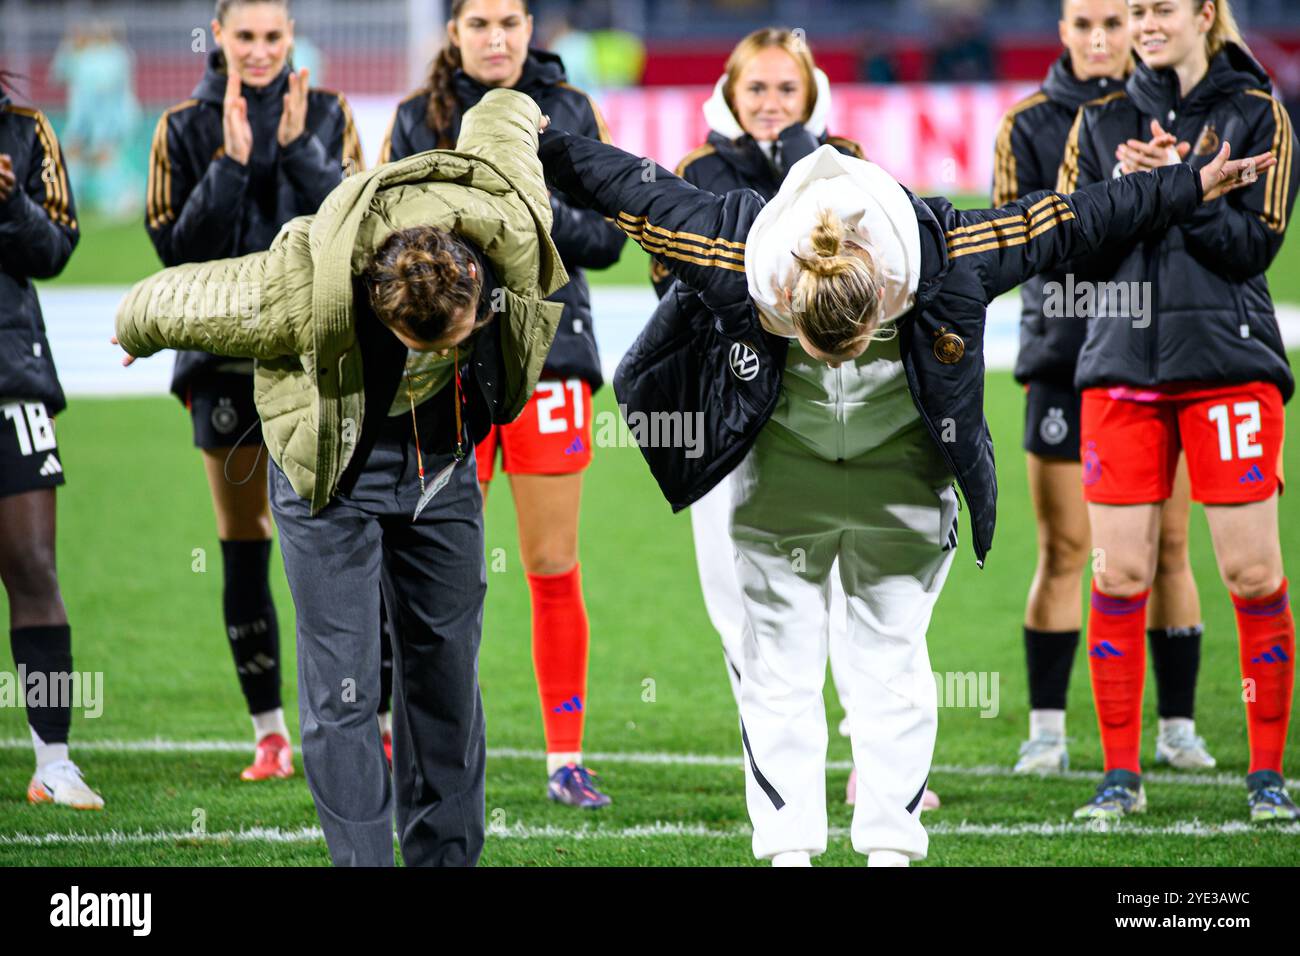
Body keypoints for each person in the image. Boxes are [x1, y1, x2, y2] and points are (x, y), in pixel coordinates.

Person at [536, 102, 1270, 866]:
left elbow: (1069, 219)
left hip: (902, 480)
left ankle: (889, 850)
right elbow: (626, 185)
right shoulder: (737, 247)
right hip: (784, 479)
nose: (836, 366)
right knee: (781, 662)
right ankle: (790, 853)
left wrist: (1189, 183)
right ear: (782, 295)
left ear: (886, 293)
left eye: (850, 348)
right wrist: (539, 136)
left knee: (887, 661)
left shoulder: (948, 250)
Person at [116, 88, 566, 866]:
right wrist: (133, 324)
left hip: (441, 467)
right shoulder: (307, 284)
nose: (443, 354)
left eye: (458, 339)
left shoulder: (507, 226)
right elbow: (199, 295)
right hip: (329, 473)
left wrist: (513, 101)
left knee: (447, 679)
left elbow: (501, 130)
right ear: (376, 309)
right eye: (420, 343)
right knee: (343, 689)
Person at [660, 26, 938, 811]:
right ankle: (780, 769)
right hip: (729, 417)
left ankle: (869, 759)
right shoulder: (700, 174)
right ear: (731, 92)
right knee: (740, 604)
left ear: (811, 94)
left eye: (788, 89)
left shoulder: (846, 164)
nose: (773, 104)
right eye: (759, 89)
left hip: (833, 416)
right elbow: (671, 298)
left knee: (863, 598)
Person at [379, 0, 626, 808]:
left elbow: (609, 239)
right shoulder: (419, 117)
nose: (495, 36)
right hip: (443, 369)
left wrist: (530, 211)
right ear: (453, 31)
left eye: (509, 21)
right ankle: (418, 744)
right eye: (478, 21)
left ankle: (565, 758)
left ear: (529, 30)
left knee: (551, 564)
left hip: (550, 360)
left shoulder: (570, 110)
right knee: (432, 572)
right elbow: (386, 244)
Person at [1058, 0, 1297, 822]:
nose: (1143, 23)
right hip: (1120, 368)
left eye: (1160, 8)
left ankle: (1266, 778)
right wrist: (1135, 190)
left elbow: (1254, 246)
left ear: (1204, 14)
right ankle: (1120, 776)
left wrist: (1183, 190)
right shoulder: (1099, 119)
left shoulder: (1258, 110)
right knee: (1119, 574)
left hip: (1228, 368)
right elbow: (1067, 245)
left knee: (1253, 575)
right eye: (1134, 11)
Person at [145, 0, 363, 782]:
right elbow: (177, 253)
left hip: (317, 359)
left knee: (343, 545)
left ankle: (368, 723)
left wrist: (299, 147)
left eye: (275, 36)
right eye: (247, 37)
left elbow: (351, 230)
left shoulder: (329, 115)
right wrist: (231, 165)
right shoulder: (181, 127)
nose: (262, 50)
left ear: (291, 38)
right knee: (246, 547)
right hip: (220, 367)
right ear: (221, 37)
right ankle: (270, 734)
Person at [994, 0, 1213, 775]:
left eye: (1112, 24)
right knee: (1065, 550)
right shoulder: (1026, 124)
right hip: (1064, 360)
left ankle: (1177, 729)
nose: (1097, 39)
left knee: (1170, 548)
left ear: (1137, 31)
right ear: (1061, 31)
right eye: (1082, 24)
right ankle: (1047, 732)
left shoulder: (1178, 111)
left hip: (1163, 359)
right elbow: (1021, 247)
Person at [0, 71, 103, 811]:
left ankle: (54, 761)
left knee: (34, 566)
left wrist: (8, 203)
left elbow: (56, 249)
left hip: (11, 379)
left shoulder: (26, 129)